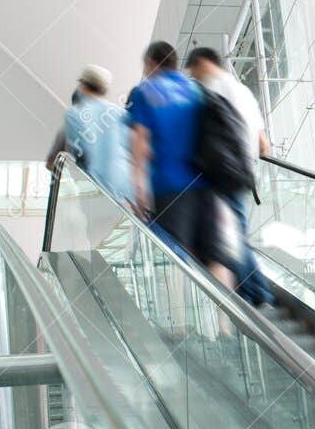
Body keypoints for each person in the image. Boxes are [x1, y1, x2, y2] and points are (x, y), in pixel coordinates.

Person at [127, 41, 235, 286]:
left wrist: (138, 187)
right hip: (206, 184)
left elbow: (140, 142)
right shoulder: (197, 89)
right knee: (215, 258)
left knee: (176, 259)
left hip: (169, 187)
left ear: (151, 64)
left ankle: (184, 313)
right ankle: (228, 311)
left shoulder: (146, 92)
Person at [185, 47, 274, 306]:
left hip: (221, 176)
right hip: (244, 174)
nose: (194, 76)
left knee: (228, 238)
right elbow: (263, 145)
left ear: (202, 63)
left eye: (194, 71)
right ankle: (252, 292)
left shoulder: (210, 89)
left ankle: (258, 294)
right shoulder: (244, 91)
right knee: (235, 234)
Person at [45, 65, 131, 201]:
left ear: (82, 85)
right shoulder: (119, 113)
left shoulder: (73, 115)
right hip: (121, 193)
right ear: (105, 89)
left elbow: (53, 162)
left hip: (92, 190)